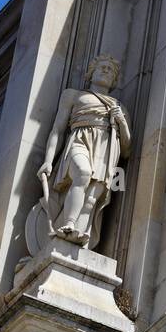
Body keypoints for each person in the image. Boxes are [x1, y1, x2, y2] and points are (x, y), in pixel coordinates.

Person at [38, 54, 131, 247]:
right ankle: (69, 224)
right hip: (79, 140)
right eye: (102, 67)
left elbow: (127, 150)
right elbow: (58, 129)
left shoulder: (119, 106)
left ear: (114, 80)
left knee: (91, 200)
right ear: (91, 73)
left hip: (105, 151)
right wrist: (48, 160)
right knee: (82, 173)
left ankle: (79, 237)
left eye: (111, 70)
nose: (106, 71)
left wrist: (121, 120)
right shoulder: (73, 95)